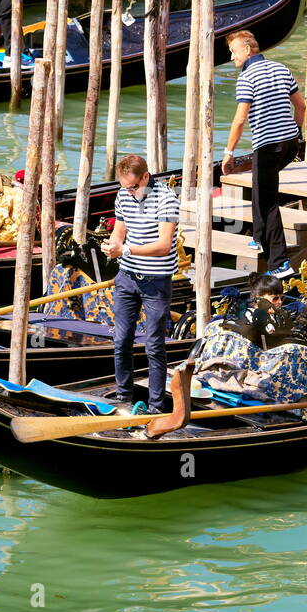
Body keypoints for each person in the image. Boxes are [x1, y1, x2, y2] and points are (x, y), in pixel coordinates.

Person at [222, 29, 306, 279]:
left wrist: (229, 153)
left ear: (247, 50)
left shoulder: (247, 78)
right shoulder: (282, 68)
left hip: (268, 146)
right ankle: (258, 237)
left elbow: (239, 120)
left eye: (234, 52)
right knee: (261, 187)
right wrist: (296, 131)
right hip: (290, 143)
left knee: (268, 201)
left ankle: (280, 262)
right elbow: (300, 106)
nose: (232, 57)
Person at [102, 154, 180, 416]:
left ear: (146, 177)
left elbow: (163, 246)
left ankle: (156, 407)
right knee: (121, 339)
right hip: (127, 278)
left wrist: (125, 251)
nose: (130, 192)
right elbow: (119, 231)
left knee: (154, 344)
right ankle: (124, 395)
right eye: (126, 188)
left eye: (134, 187)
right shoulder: (124, 195)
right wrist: (112, 245)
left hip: (156, 282)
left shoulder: (167, 198)